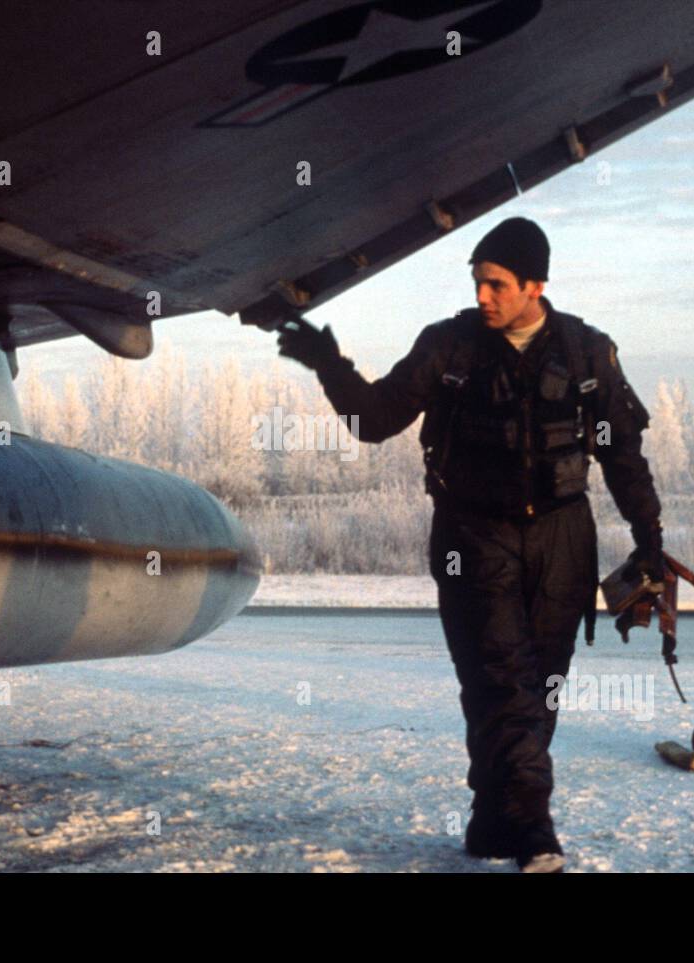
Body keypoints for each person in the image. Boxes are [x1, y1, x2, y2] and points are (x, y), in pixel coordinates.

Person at [276, 217, 665, 873]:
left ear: (535, 285)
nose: (483, 296)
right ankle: (536, 832)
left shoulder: (588, 353)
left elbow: (623, 455)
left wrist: (650, 540)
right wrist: (329, 364)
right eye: (478, 282)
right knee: (503, 680)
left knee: (536, 686)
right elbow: (374, 419)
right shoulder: (448, 347)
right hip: (472, 536)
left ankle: (494, 820)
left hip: (564, 538)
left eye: (497, 284)